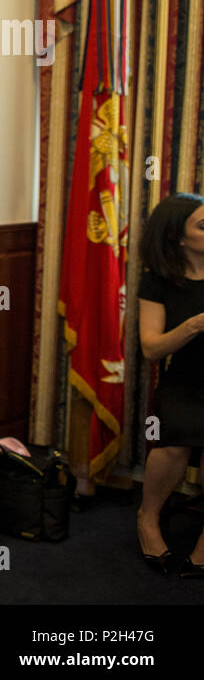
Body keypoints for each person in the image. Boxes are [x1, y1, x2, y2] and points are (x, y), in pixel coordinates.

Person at [135, 191, 204, 577]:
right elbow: (151, 349)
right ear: (179, 237)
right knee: (174, 442)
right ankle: (148, 518)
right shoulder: (158, 281)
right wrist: (195, 324)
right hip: (184, 382)